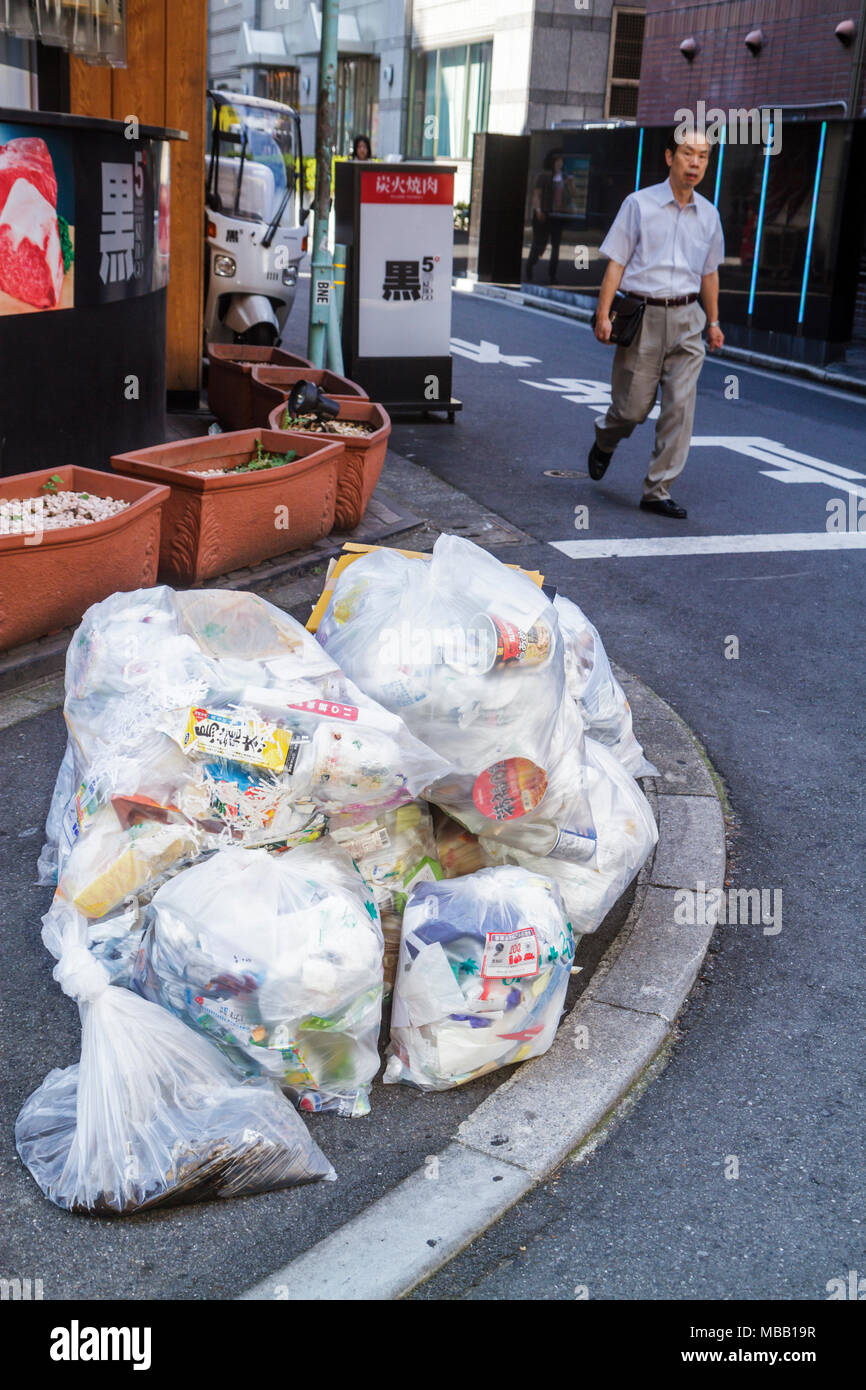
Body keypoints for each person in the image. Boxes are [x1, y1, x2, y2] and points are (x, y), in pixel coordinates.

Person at [588, 127, 725, 518]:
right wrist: (604, 314)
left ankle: (657, 490)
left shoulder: (710, 214)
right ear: (669, 157)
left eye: (702, 155)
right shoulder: (639, 204)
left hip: (687, 320)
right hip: (642, 317)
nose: (695, 162)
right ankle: (606, 439)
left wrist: (713, 322)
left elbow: (710, 273)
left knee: (679, 408)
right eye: (687, 153)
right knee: (631, 409)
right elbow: (616, 262)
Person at [527, 150, 577, 285]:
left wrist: (571, 183)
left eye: (561, 161)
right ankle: (530, 265)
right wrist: (538, 210)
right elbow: (536, 194)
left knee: (556, 247)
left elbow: (573, 194)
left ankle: (552, 275)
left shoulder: (565, 177)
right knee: (539, 245)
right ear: (552, 162)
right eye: (557, 161)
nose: (559, 163)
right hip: (543, 215)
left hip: (557, 216)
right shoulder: (543, 176)